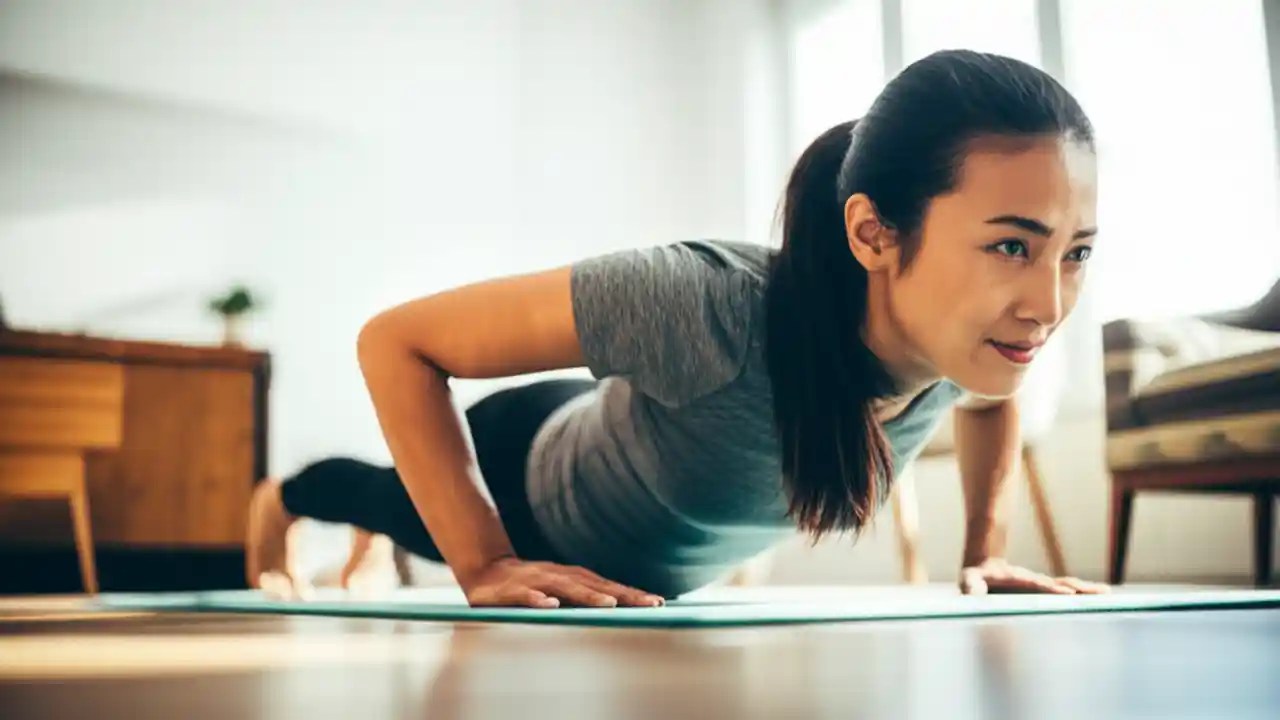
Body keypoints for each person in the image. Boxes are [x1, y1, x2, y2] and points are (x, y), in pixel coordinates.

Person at [247, 49, 1110, 607]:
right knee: (369, 494)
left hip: (636, 462)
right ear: (874, 235)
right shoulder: (704, 304)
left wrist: (984, 552)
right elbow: (396, 341)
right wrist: (484, 562)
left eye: (1074, 252)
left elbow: (992, 399)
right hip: (527, 479)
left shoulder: (967, 342)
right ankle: (277, 502)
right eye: (1010, 246)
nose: (1048, 304)